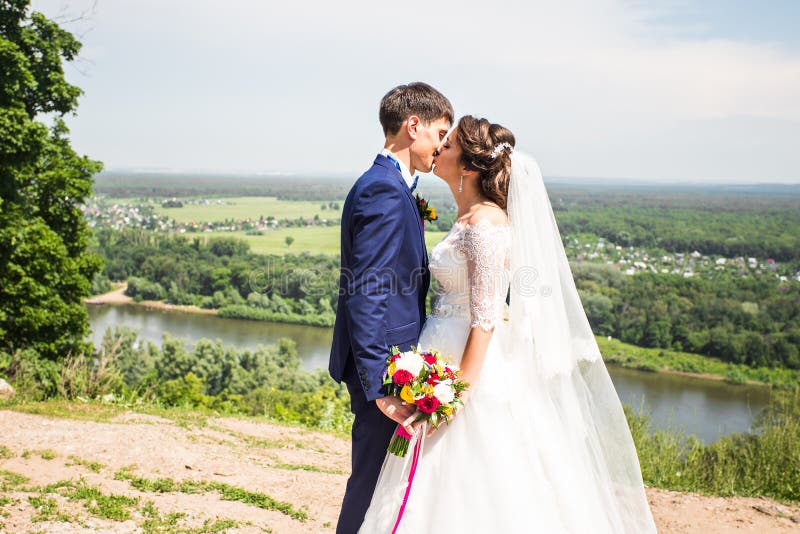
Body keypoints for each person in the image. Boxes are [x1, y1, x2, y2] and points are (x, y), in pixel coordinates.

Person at [358, 115, 657, 533]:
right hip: (441, 348)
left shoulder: (486, 224)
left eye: (449, 144)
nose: (439, 147)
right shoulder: (468, 219)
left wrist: (457, 393)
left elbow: (485, 317)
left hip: (467, 365)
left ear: (466, 167)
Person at [329, 82, 453, 534]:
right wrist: (381, 384)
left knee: (387, 487)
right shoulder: (382, 191)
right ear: (412, 125)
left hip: (395, 365)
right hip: (385, 374)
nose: (443, 145)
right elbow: (367, 295)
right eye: (441, 133)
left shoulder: (390, 186)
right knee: (370, 486)